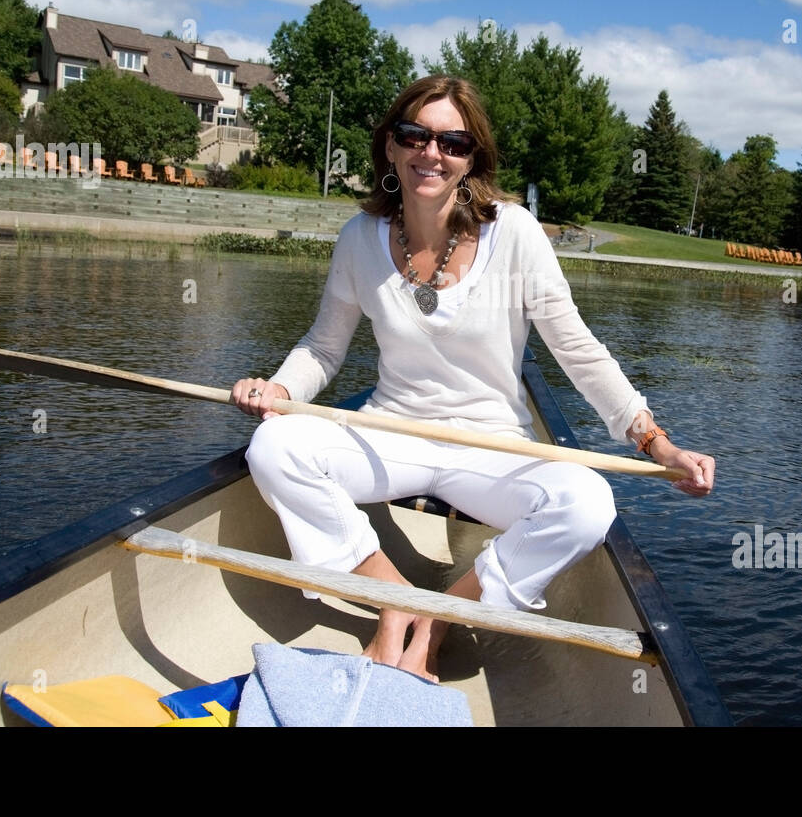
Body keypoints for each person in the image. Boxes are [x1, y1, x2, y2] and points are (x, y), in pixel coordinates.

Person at [232, 75, 714, 681]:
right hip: (392, 431)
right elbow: (322, 348)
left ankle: (437, 619)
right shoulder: (360, 238)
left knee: (588, 501)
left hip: (491, 443)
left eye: (453, 143)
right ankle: (392, 603)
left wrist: (656, 442)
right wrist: (279, 390)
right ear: (390, 145)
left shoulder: (514, 233)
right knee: (274, 446)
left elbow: (579, 352)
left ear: (471, 159)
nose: (431, 153)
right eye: (415, 135)